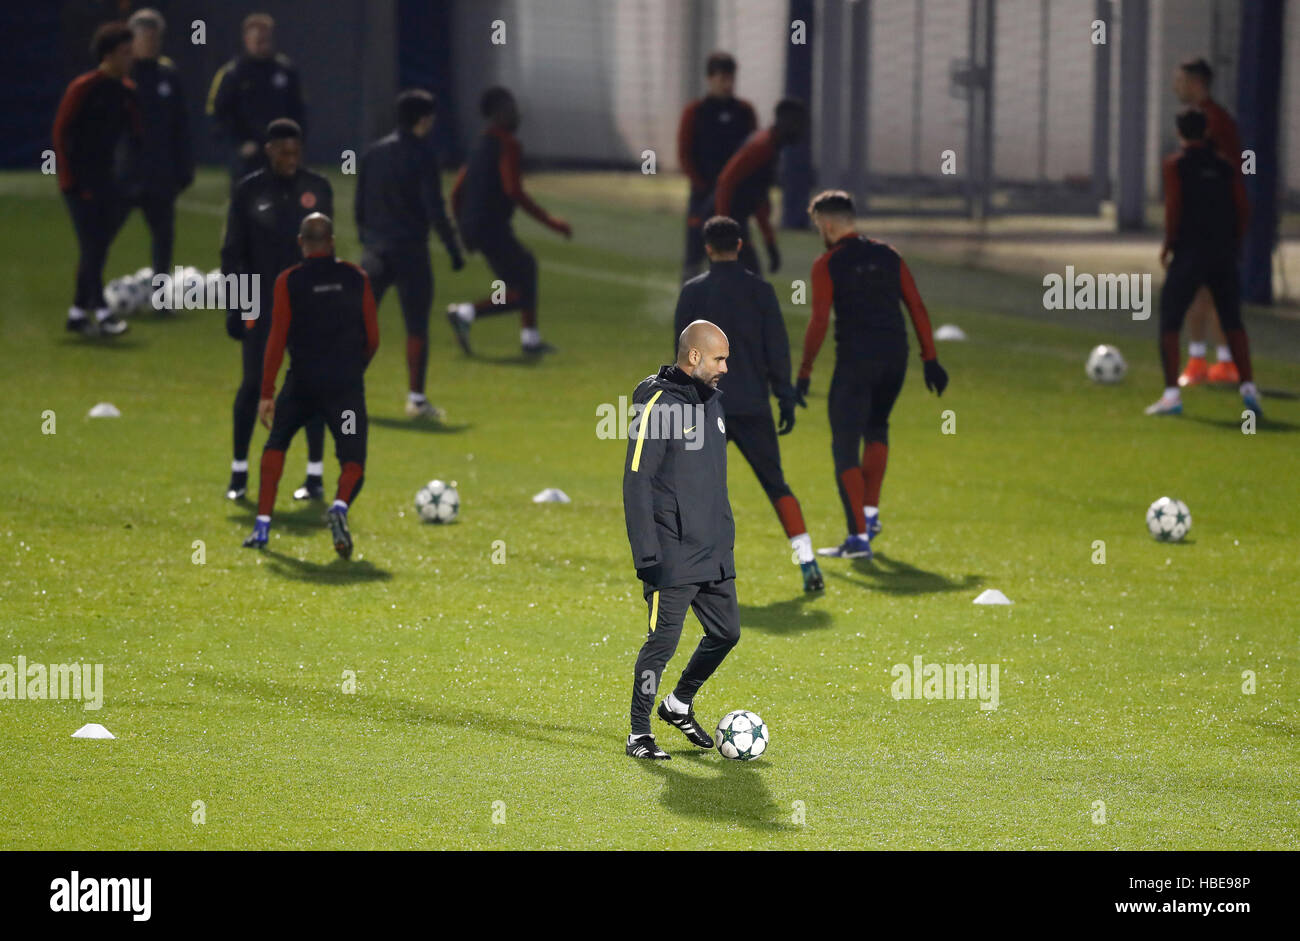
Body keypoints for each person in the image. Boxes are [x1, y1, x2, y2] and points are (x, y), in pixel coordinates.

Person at [674, 216, 823, 593]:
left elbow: (683, 358)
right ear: (740, 245)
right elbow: (776, 347)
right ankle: (807, 562)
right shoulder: (761, 291)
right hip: (754, 406)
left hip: (708, 407)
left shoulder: (692, 293)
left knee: (698, 487)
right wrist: (785, 397)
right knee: (776, 485)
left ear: (707, 248)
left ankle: (697, 569)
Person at [798, 191, 948, 560]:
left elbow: (819, 321)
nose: (820, 231)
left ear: (828, 224)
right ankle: (870, 514)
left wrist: (804, 372)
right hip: (895, 358)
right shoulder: (889, 255)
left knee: (844, 446)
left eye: (819, 225)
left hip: (856, 362)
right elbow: (915, 304)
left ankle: (859, 539)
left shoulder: (827, 263)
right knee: (877, 428)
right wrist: (930, 359)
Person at [623, 320, 741, 760]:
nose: (725, 368)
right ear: (694, 357)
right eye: (719, 359)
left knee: (727, 633)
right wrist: (647, 554)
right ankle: (639, 733)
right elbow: (636, 481)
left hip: (713, 549)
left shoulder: (713, 403)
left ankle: (678, 703)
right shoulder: (656, 406)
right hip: (670, 552)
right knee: (662, 645)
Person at [243, 214, 377, 558]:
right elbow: (373, 338)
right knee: (353, 459)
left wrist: (267, 393)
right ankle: (340, 506)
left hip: (301, 385)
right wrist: (352, 369)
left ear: (301, 243)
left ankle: (261, 527)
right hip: (344, 389)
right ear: (332, 241)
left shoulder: (289, 281)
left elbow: (276, 339)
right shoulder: (356, 277)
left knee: (277, 444)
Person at [220, 118, 331, 502]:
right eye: (283, 152)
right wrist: (237, 306)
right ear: (268, 150)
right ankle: (238, 473)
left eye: (296, 152)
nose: (290, 159)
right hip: (261, 301)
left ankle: (314, 476)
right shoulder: (248, 191)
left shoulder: (318, 188)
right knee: (253, 385)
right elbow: (233, 253)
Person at [356, 89, 464, 419]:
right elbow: (434, 208)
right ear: (423, 119)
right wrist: (452, 247)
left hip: (375, 251)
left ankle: (340, 391)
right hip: (410, 253)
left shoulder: (374, 153)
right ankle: (416, 399)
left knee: (361, 325)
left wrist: (369, 240)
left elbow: (360, 206)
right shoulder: (423, 155)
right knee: (416, 326)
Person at [1145, 110, 1258, 419]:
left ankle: (1171, 395)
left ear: (1180, 133)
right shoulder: (1227, 166)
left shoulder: (1175, 165)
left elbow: (1174, 208)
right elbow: (1242, 208)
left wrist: (1169, 246)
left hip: (1191, 253)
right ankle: (1249, 388)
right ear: (1207, 131)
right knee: (1233, 321)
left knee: (1170, 320)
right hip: (1222, 253)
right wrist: (1235, 244)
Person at [445, 86, 571, 356]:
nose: (517, 114)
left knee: (525, 270)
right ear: (499, 112)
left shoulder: (479, 143)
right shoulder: (508, 144)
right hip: (491, 226)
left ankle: (530, 338)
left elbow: (457, 191)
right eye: (511, 108)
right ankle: (465, 313)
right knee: (522, 288)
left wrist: (462, 229)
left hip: (477, 226)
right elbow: (513, 189)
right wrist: (552, 222)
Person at [52, 21, 139, 338]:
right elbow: (61, 132)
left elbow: (134, 137)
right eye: (126, 52)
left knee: (97, 249)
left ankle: (77, 313)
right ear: (109, 54)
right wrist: (69, 178)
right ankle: (102, 311)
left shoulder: (127, 91)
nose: (131, 58)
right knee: (92, 247)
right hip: (79, 184)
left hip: (109, 183)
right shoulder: (84, 87)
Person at [1172, 57, 1245, 388]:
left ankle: (1221, 362)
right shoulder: (1206, 119)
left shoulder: (1214, 122)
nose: (1177, 86)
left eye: (1182, 80)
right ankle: (1202, 361)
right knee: (1202, 294)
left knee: (1210, 293)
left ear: (1197, 82)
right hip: (1207, 226)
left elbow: (1227, 175)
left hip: (1213, 227)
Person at [126, 9, 193, 285]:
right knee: (100, 237)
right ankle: (90, 298)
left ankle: (161, 294)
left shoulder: (168, 75)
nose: (152, 44)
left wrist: (184, 168)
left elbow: (181, 126)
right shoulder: (122, 74)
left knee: (164, 235)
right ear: (132, 40)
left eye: (156, 38)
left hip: (160, 173)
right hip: (125, 172)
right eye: (146, 38)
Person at [676, 52, 757, 281]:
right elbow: (685, 155)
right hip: (703, 197)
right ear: (710, 79)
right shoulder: (695, 112)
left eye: (730, 79)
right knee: (694, 255)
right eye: (722, 79)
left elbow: (752, 155)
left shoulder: (744, 112)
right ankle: (688, 307)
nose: (727, 84)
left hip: (735, 197)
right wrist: (702, 187)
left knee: (743, 253)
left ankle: (747, 306)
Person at [711, 98, 808, 275]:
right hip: (720, 218)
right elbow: (725, 182)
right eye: (798, 123)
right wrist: (722, 228)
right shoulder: (762, 147)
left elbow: (759, 201)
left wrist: (770, 244)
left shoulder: (771, 149)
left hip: (733, 221)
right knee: (749, 286)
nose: (801, 129)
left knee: (749, 285)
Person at [207, 13, 305, 183]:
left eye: (266, 39)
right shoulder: (233, 73)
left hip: (281, 153)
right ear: (246, 39)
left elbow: (299, 110)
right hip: (248, 157)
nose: (263, 44)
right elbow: (217, 113)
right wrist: (239, 144)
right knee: (246, 204)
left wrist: (295, 142)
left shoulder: (286, 70)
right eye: (258, 40)